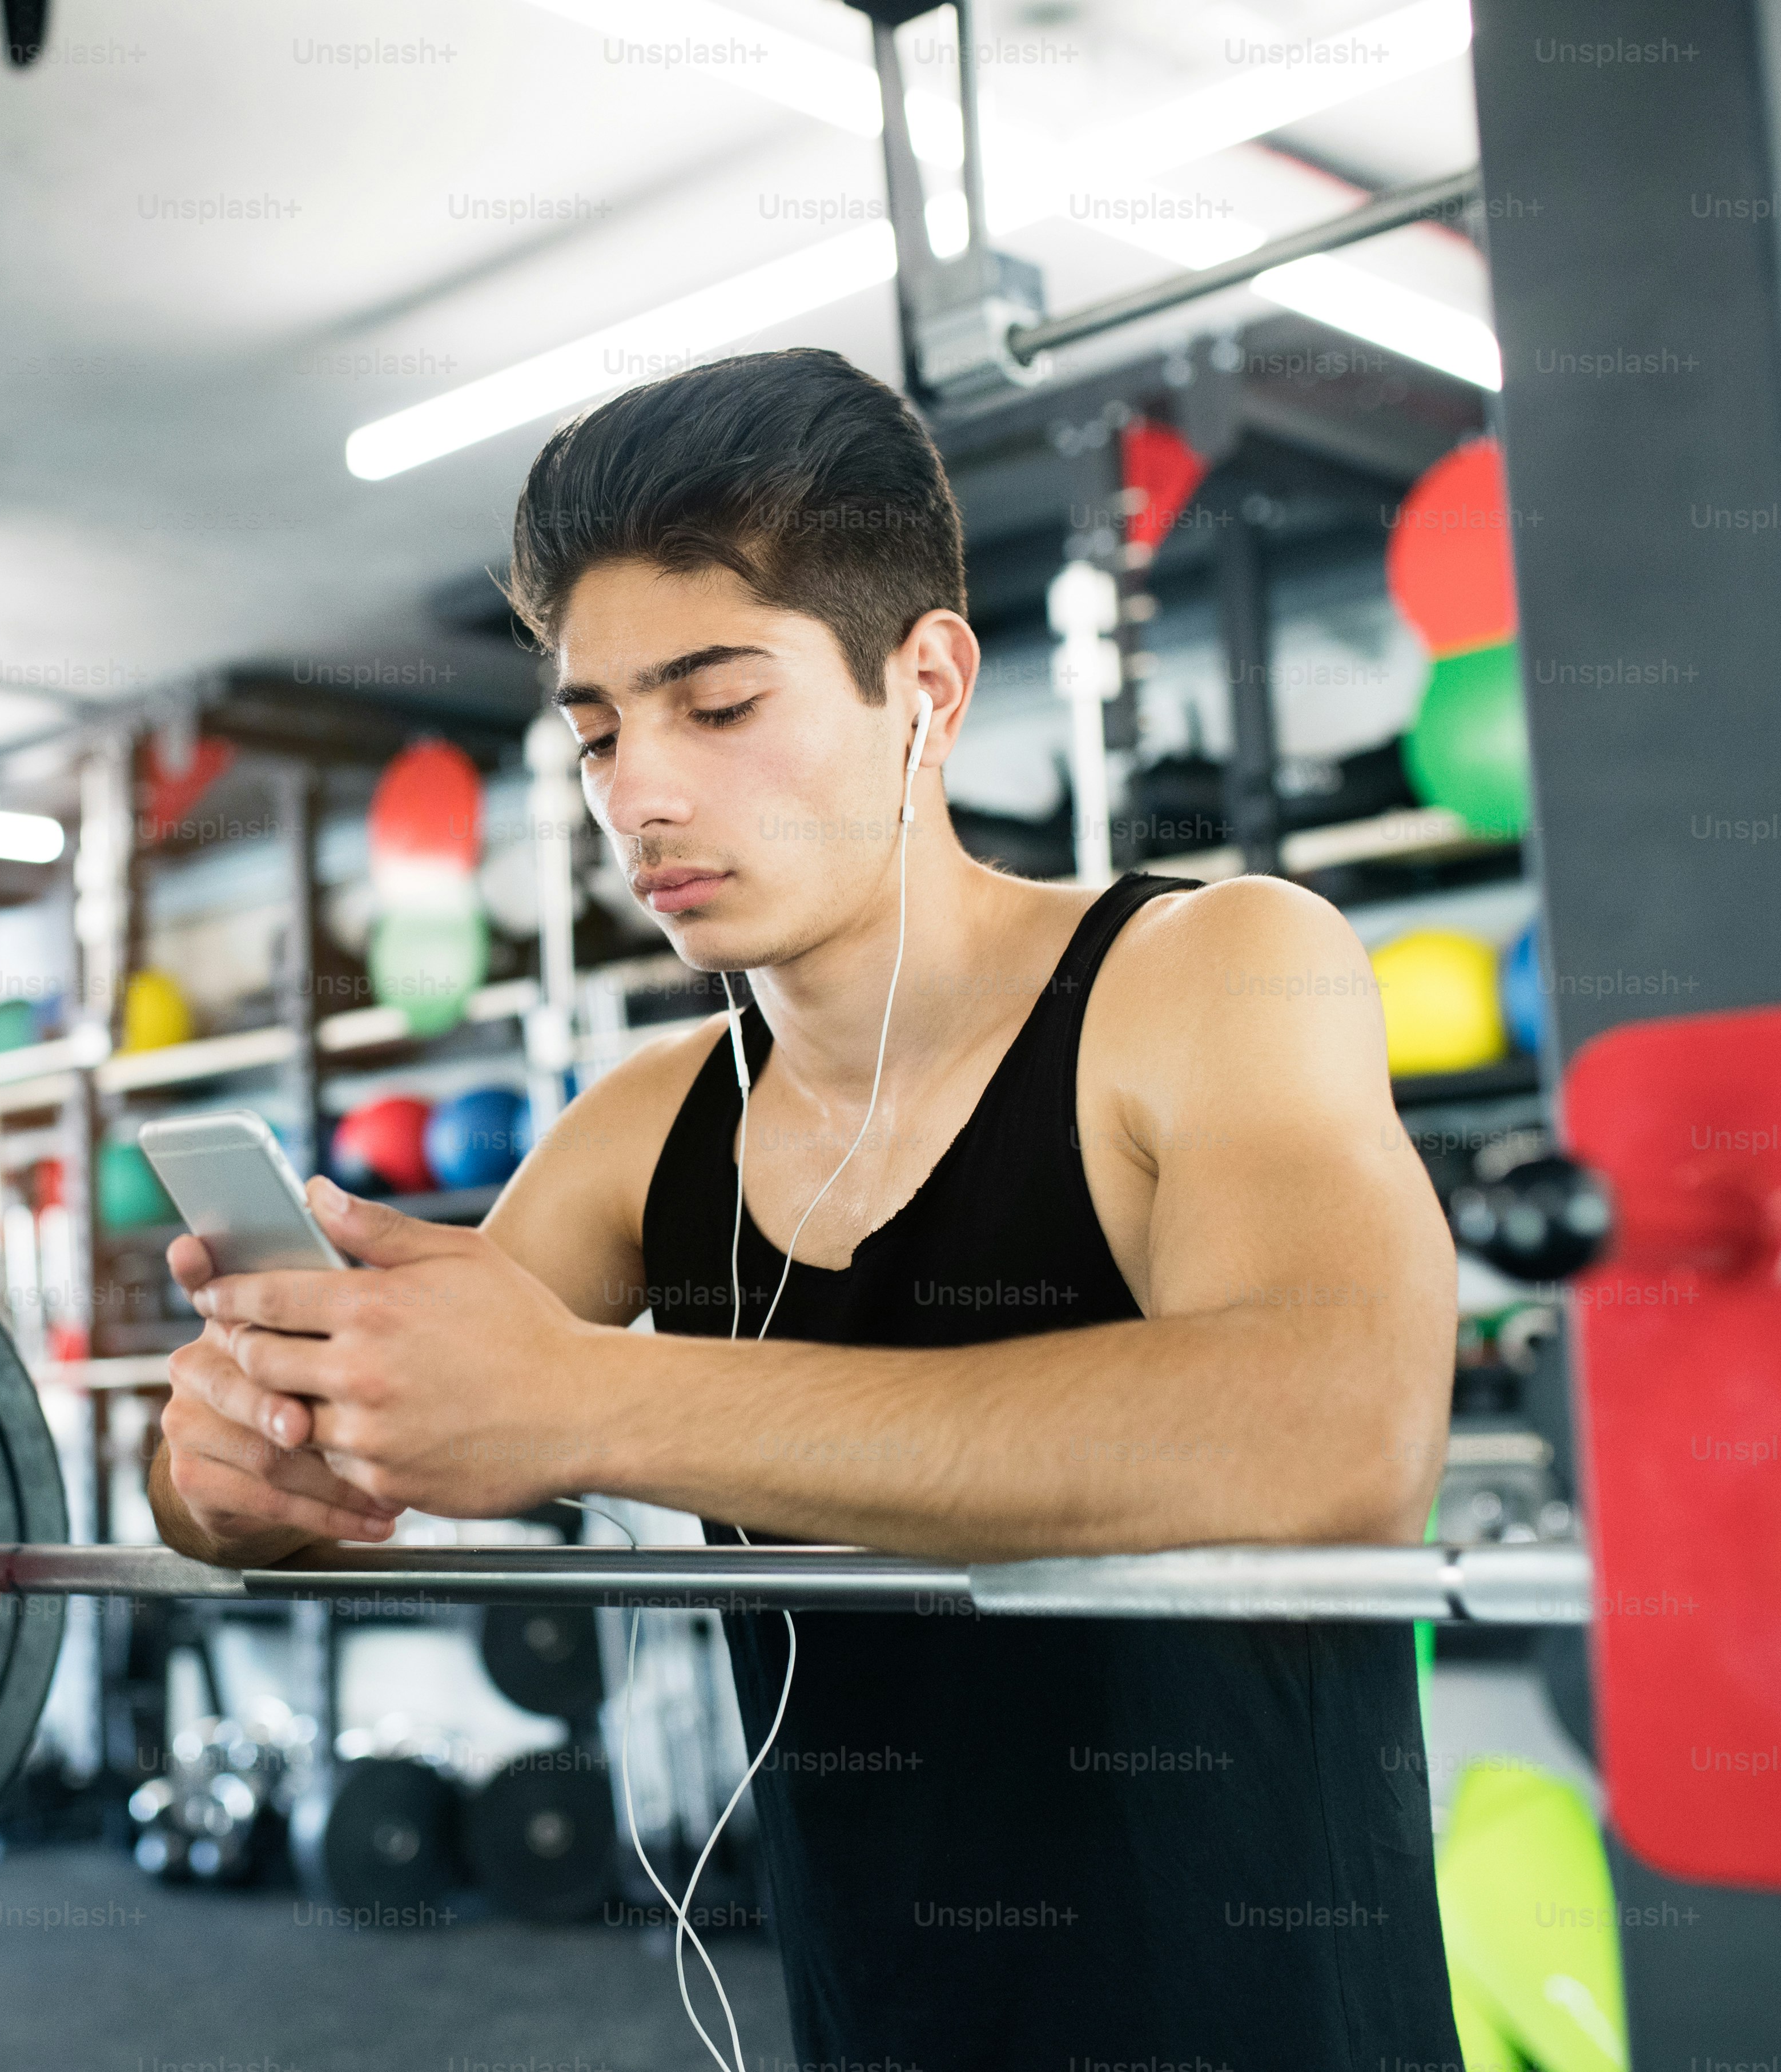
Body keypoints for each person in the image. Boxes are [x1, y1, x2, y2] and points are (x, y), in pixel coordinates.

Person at [148, 345, 1460, 2068]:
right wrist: (239, 1452)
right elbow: (286, 1476)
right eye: (601, 730)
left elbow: (1330, 1432)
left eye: (718, 704)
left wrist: (590, 1402)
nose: (642, 795)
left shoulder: (1207, 971)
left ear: (924, 683)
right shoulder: (649, 1128)